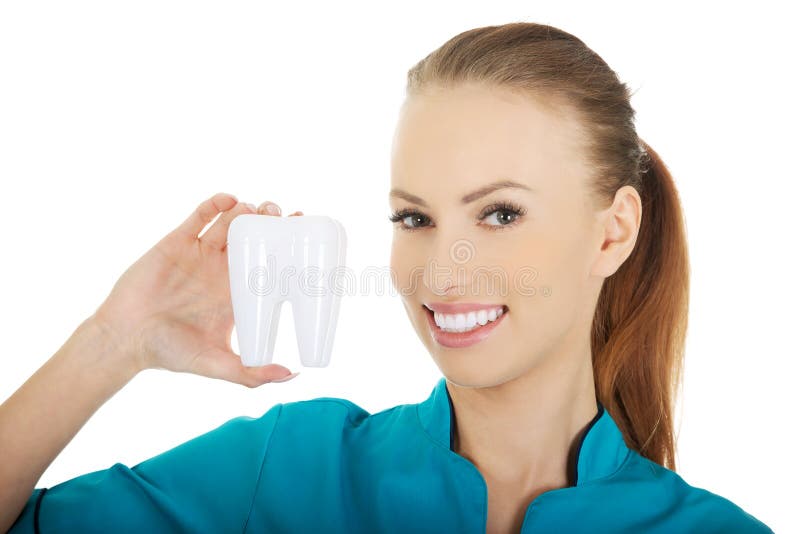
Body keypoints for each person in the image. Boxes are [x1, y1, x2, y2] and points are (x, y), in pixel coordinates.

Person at [1, 21, 773, 534]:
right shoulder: (292, 469)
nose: (441, 269)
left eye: (499, 214)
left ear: (614, 232)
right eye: (414, 218)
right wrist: (113, 341)